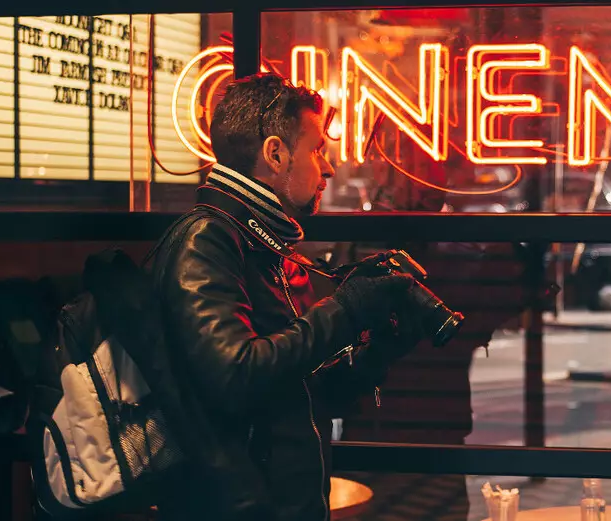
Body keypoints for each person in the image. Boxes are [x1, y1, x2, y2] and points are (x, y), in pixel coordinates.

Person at [147, 73, 428, 521]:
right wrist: (346, 307)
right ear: (275, 153)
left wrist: (381, 350)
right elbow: (235, 378)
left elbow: (302, 396)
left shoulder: (266, 248)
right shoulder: (208, 241)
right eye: (317, 149)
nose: (330, 167)